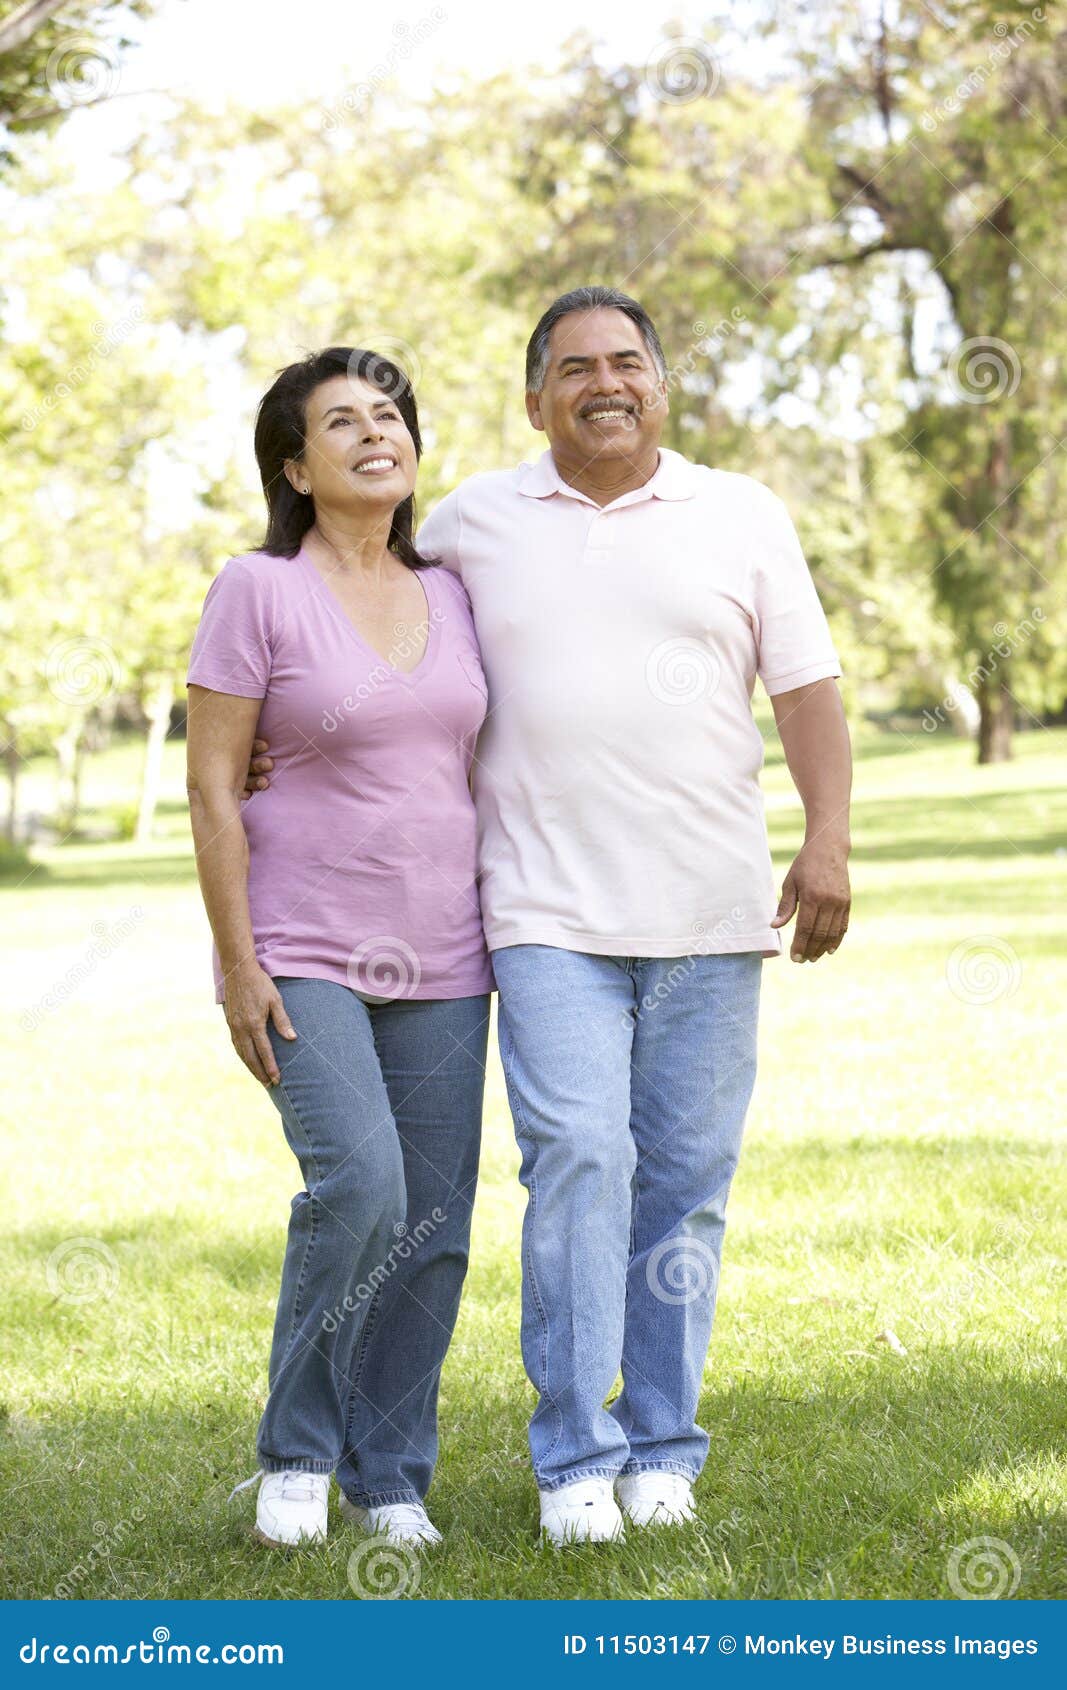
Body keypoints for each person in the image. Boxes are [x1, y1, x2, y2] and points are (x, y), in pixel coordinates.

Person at [247, 288, 852, 1545]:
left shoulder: (740, 514)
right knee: (580, 1162)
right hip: (536, 914)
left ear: (663, 385)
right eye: (572, 368)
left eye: (626, 361)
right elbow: (355, 621)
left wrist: (828, 836)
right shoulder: (473, 523)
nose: (603, 383)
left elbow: (803, 689)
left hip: (708, 911)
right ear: (535, 400)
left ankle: (661, 1445)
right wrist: (274, 753)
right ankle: (575, 1453)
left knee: (684, 1186)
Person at [186, 346, 493, 1550]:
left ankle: (390, 1469)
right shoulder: (255, 588)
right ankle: (297, 1453)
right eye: (340, 422)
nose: (375, 434)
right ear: (295, 467)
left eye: (389, 415)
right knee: (359, 1183)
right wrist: (234, 961)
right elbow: (215, 786)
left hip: (447, 953)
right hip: (303, 941)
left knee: (435, 1218)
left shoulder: (457, 589)